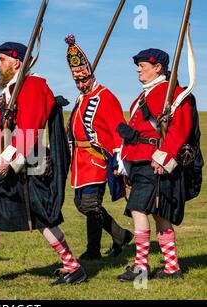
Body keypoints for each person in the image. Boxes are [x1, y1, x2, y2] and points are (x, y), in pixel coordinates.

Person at [0, 42, 87, 286]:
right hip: (6, 163)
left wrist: (8, 158)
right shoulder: (9, 92)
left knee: (43, 218)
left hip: (28, 164)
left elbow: (30, 126)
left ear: (17, 63)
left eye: (1, 59)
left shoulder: (33, 86)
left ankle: (73, 266)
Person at [117, 48, 193, 280]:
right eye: (138, 66)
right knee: (160, 214)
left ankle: (141, 266)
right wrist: (124, 163)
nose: (138, 70)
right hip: (139, 159)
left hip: (154, 160)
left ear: (157, 67)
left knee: (138, 209)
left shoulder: (173, 93)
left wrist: (163, 156)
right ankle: (172, 268)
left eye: (143, 66)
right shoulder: (143, 95)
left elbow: (181, 127)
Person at [64, 35, 133, 260]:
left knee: (90, 204)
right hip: (79, 159)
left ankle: (93, 250)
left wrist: (118, 160)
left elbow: (117, 129)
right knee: (80, 204)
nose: (81, 84)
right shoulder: (80, 98)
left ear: (92, 76)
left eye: (84, 80)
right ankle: (120, 235)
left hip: (96, 158)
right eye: (77, 82)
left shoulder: (105, 97)